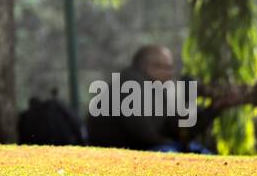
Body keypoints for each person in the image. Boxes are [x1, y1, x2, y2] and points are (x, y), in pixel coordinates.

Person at [87, 45, 234, 153]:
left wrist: (213, 110)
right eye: (165, 68)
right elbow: (144, 134)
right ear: (148, 67)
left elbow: (177, 128)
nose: (170, 74)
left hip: (145, 150)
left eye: (170, 68)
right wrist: (182, 146)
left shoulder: (155, 89)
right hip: (121, 156)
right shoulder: (130, 84)